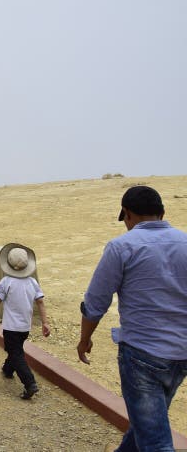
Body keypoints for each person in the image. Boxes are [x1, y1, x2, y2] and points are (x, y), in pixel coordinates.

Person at [78, 186, 187, 451]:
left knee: (155, 441)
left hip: (142, 355)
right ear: (162, 212)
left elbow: (95, 302)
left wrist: (85, 339)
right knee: (146, 425)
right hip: (181, 355)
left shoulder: (121, 247)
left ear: (127, 214)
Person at [0, 244, 51, 399]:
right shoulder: (33, 283)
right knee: (16, 349)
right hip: (24, 326)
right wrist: (45, 322)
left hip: (11, 326)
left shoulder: (6, 281)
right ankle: (8, 369)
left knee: (15, 352)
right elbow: (40, 302)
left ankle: (30, 383)